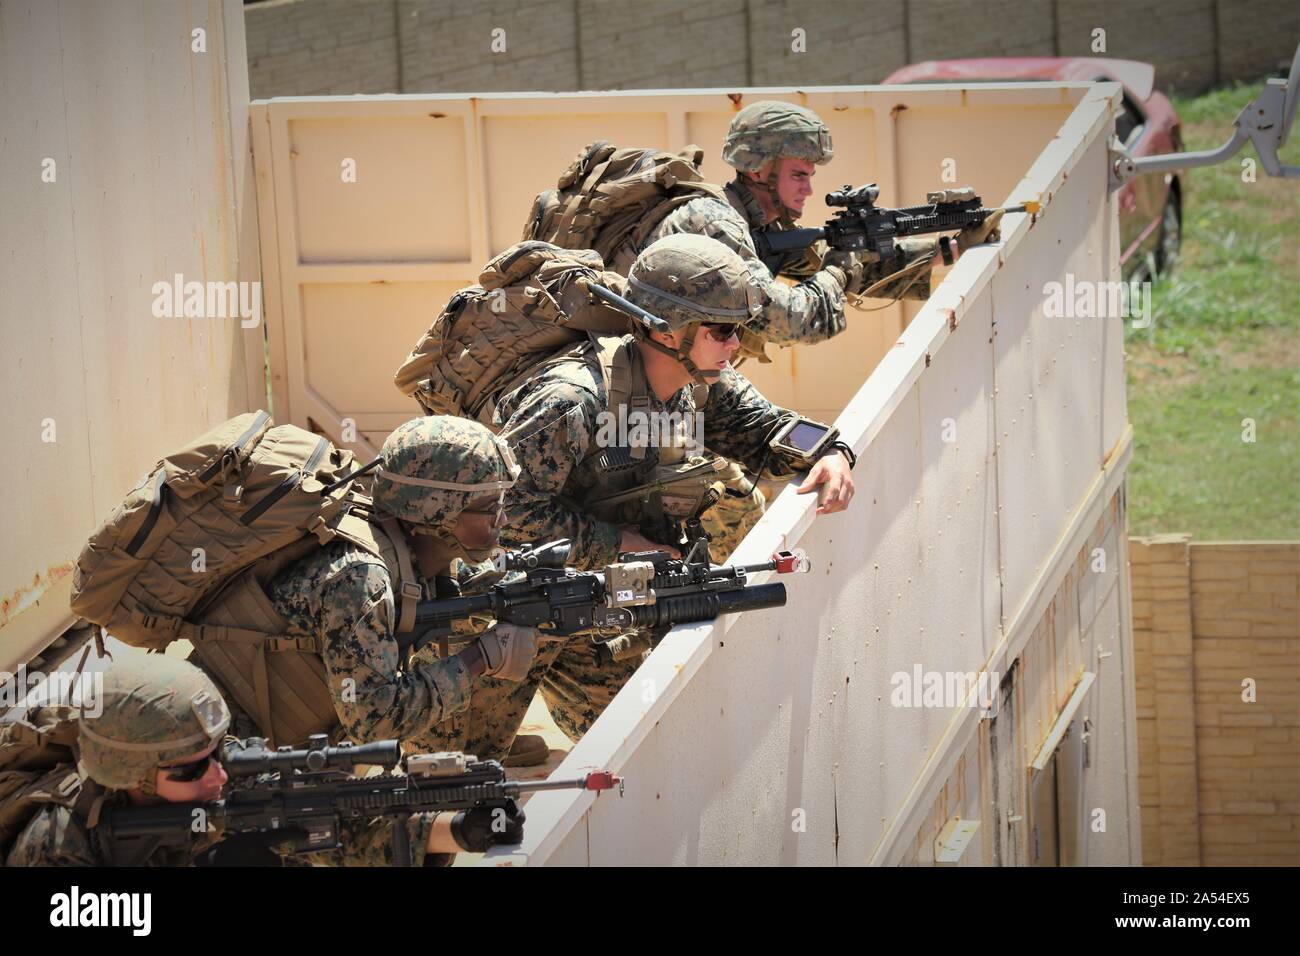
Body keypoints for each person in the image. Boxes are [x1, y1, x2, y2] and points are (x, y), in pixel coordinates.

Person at [427, 234, 857, 759]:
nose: (735, 345)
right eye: (721, 330)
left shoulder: (700, 383)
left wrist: (833, 451)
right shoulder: (574, 398)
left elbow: (767, 430)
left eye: (739, 330)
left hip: (600, 608)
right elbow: (504, 512)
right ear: (664, 326)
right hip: (509, 608)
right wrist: (620, 544)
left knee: (650, 749)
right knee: (454, 775)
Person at [3, 653, 523, 867]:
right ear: (131, 780)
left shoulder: (228, 787)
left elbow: (345, 828)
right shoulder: (56, 845)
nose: (217, 776)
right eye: (189, 770)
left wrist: (456, 828)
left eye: (218, 754)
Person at [627, 100, 1006, 349]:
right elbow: (788, 321)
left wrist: (949, 250)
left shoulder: (759, 226)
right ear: (758, 169)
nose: (809, 188)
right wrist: (837, 273)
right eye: (797, 175)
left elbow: (853, 270)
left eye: (809, 175)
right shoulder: (717, 224)